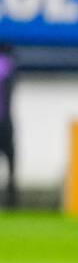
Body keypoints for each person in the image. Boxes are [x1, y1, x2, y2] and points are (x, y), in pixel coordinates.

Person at [0, 43, 17, 208]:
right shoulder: (6, 64)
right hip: (3, 119)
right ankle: (11, 199)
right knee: (11, 159)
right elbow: (9, 93)